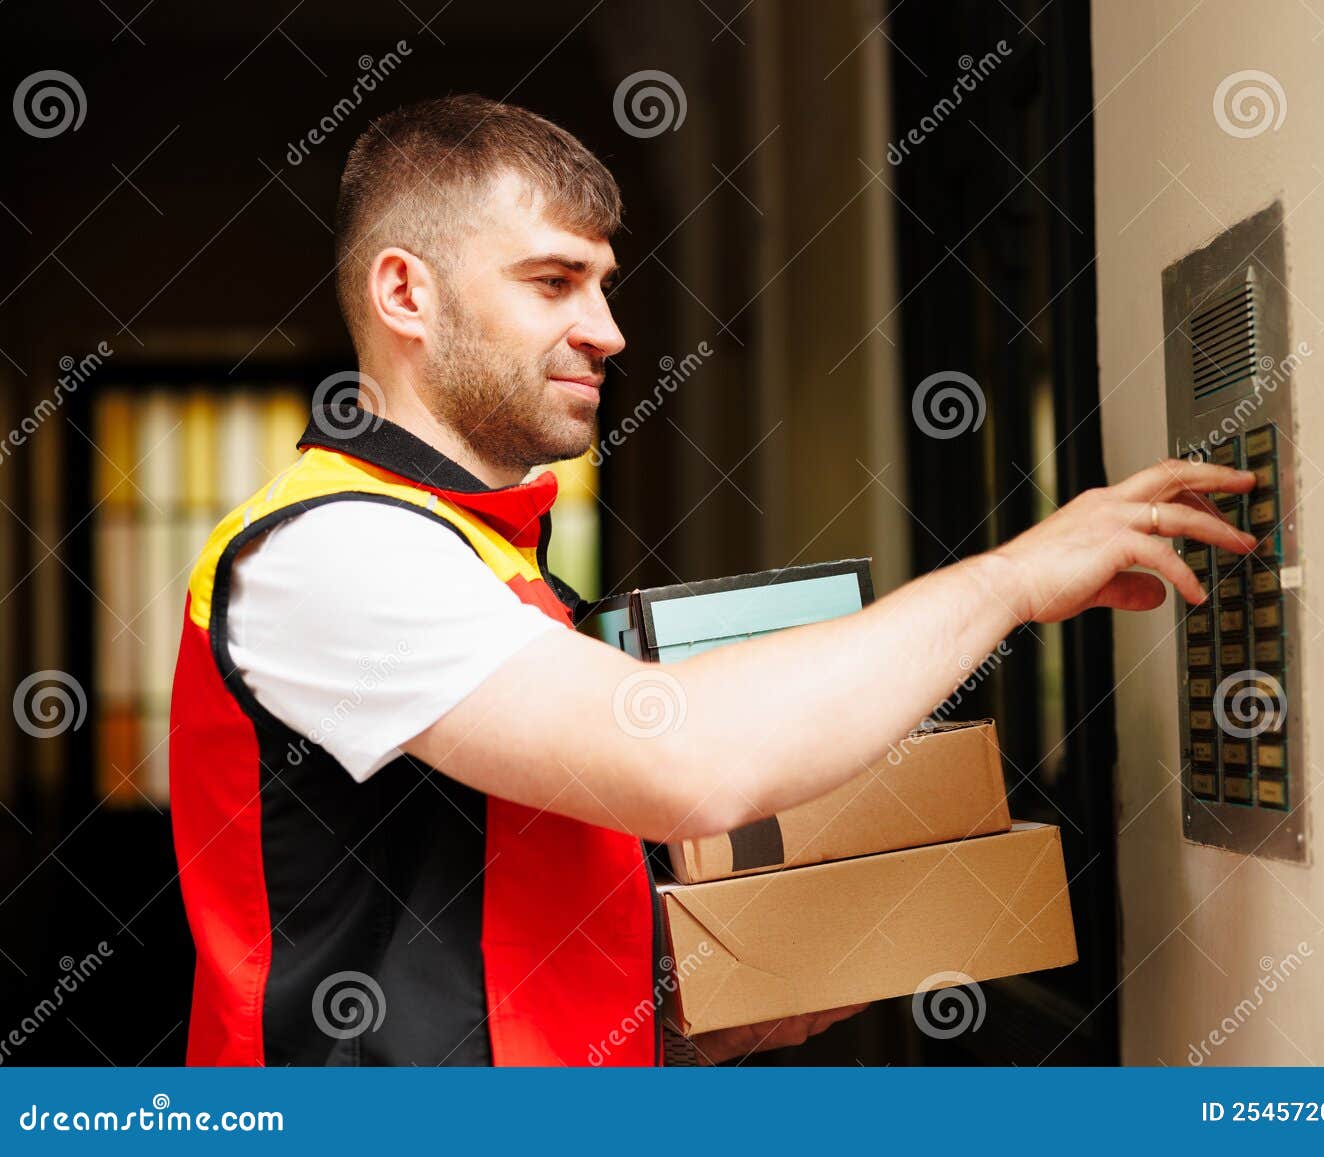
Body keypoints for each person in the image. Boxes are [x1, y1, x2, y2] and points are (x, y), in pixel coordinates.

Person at [167, 93, 1256, 1068]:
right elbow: (687, 760)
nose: (607, 331)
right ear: (405, 292)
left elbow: (477, 935)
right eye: (553, 281)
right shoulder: (331, 548)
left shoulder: (477, 546)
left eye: (603, 284)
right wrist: (1010, 579)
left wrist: (669, 1022)